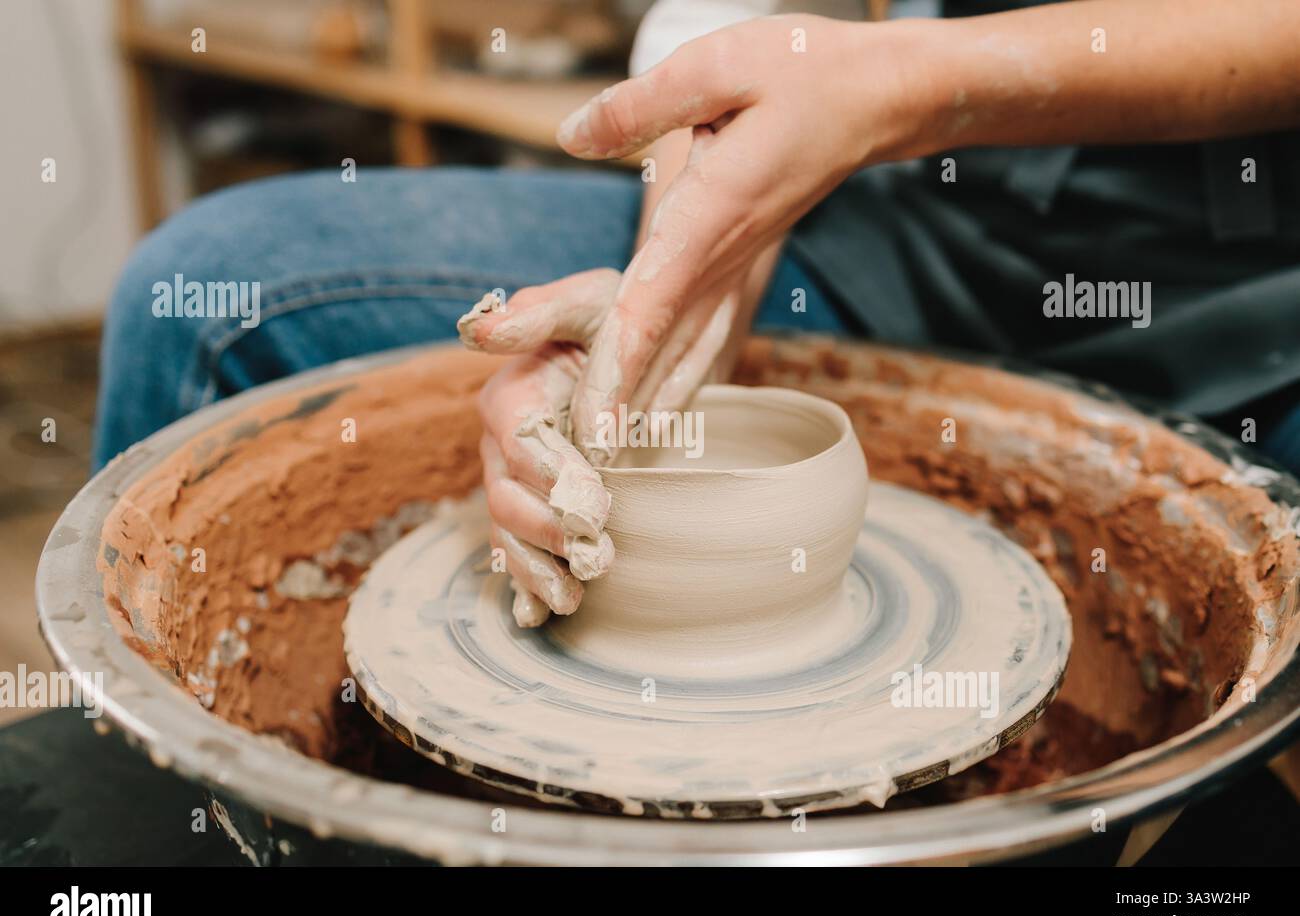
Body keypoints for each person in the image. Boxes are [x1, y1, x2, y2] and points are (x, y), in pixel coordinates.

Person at [95, 0, 1300, 624]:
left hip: (1253, 307)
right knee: (205, 300)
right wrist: (669, 295)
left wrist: (915, 84)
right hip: (914, 208)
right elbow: (726, 27)